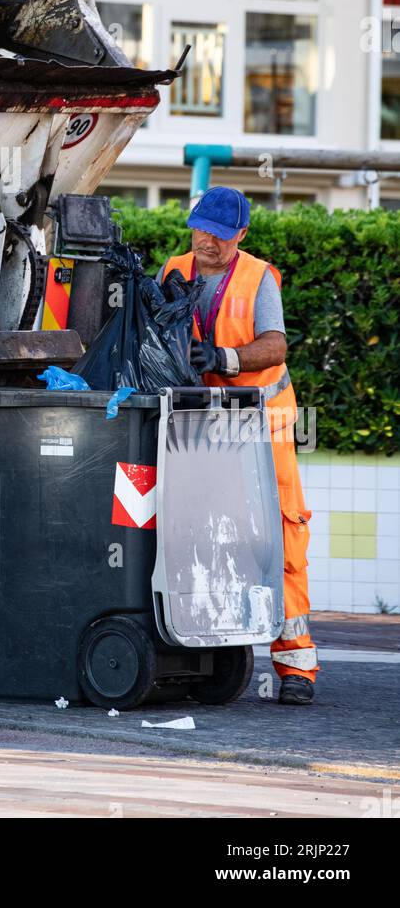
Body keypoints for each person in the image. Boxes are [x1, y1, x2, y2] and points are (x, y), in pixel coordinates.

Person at [157, 185, 318, 705]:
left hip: (261, 424)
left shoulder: (259, 277)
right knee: (196, 534)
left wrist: (224, 359)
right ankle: (203, 647)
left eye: (221, 235)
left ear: (241, 236)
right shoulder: (173, 270)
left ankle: (295, 664)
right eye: (202, 229)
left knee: (280, 537)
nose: (208, 241)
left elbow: (275, 345)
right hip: (198, 429)